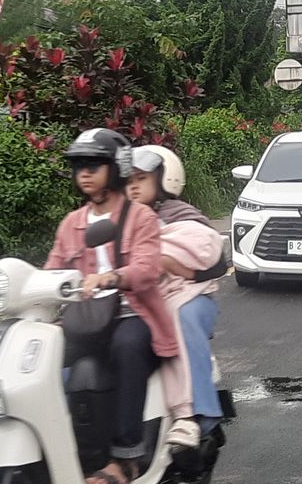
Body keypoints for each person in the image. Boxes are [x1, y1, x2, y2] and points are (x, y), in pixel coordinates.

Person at [45, 129, 177, 484]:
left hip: (133, 316)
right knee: (40, 357)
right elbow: (52, 271)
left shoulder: (141, 218)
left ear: (115, 168)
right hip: (85, 320)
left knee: (127, 345)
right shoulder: (71, 223)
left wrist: (111, 278)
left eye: (94, 164)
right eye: (78, 166)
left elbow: (148, 268)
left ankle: (127, 456)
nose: (84, 172)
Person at [125, 145, 225, 450]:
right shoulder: (115, 219)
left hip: (188, 297)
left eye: (141, 179)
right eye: (128, 180)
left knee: (183, 316)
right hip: (137, 297)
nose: (133, 187)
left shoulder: (181, 216)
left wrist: (171, 264)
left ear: (164, 180)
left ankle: (199, 415)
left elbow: (216, 262)